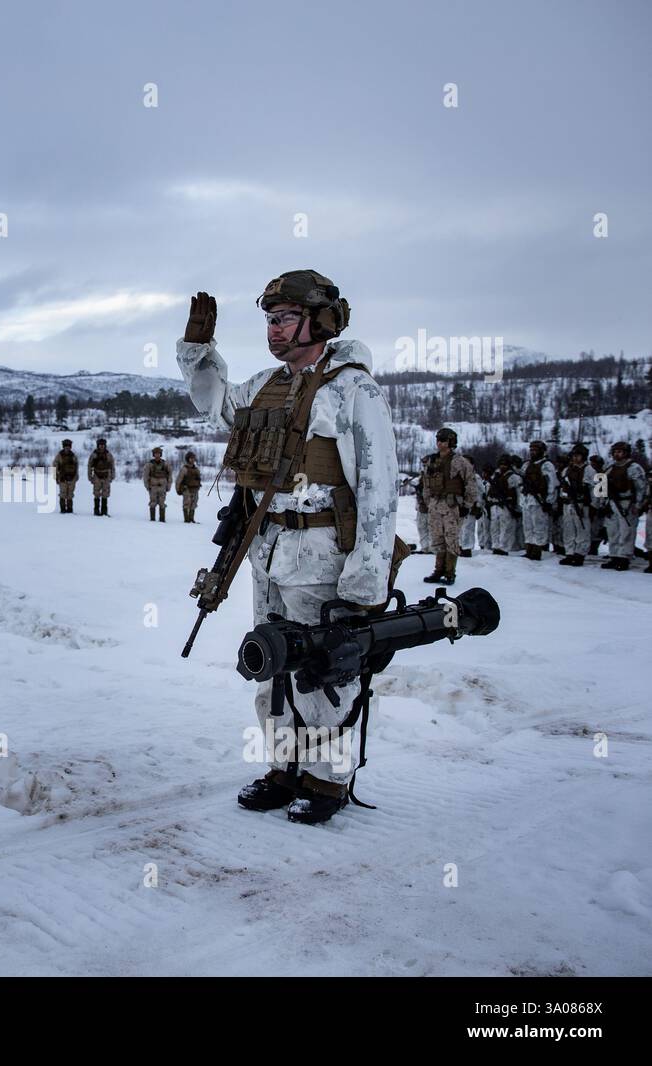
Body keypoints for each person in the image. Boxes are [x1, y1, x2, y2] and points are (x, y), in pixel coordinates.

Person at [177, 270, 398, 825]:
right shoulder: (265, 386)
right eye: (269, 320)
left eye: (284, 319)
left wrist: (367, 576)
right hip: (268, 552)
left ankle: (326, 781)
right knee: (272, 665)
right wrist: (201, 355)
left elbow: (378, 486)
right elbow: (220, 408)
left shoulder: (353, 389)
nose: (273, 330)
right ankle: (284, 766)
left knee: (322, 674)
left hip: (324, 555)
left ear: (319, 321)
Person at [420, 427, 479, 585]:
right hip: (435, 504)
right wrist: (427, 502)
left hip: (452, 506)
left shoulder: (460, 462)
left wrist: (467, 504)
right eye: (438, 440)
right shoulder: (432, 461)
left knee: (451, 539)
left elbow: (471, 484)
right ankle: (438, 570)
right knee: (437, 539)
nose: (440, 443)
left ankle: (450, 572)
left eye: (443, 440)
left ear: (451, 442)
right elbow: (426, 484)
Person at [601, 441, 647, 571]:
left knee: (626, 531)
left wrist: (638, 505)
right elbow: (602, 486)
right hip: (612, 503)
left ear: (626, 453)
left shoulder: (634, 468)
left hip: (627, 503)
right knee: (613, 531)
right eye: (615, 452)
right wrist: (603, 503)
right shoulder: (610, 467)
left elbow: (641, 488)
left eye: (620, 452)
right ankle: (614, 555)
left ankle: (624, 557)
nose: (617, 454)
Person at [556, 445, 594, 566]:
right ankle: (570, 553)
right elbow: (562, 487)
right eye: (573, 456)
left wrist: (595, 505)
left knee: (582, 530)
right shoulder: (566, 470)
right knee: (568, 530)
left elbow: (598, 490)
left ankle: (580, 554)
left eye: (578, 455)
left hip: (582, 504)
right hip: (568, 504)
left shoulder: (590, 470)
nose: (575, 458)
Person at [520, 440, 557, 561]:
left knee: (539, 526)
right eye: (531, 450)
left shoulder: (547, 465)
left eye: (535, 450)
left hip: (539, 500)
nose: (533, 452)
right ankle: (529, 549)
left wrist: (549, 501)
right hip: (527, 499)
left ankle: (537, 550)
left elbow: (552, 484)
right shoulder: (526, 465)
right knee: (528, 526)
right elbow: (521, 484)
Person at [87, 437, 115, 516]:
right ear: (98, 445)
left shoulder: (109, 454)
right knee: (96, 493)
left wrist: (112, 476)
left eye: (103, 445)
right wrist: (90, 477)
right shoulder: (94, 455)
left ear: (105, 445)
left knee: (105, 493)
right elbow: (89, 466)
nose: (101, 446)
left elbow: (112, 465)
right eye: (100, 445)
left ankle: (104, 511)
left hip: (106, 475)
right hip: (96, 475)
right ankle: (96, 511)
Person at [143, 447, 171, 522]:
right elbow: (145, 476)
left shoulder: (165, 464)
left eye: (158, 454)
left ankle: (162, 519)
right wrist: (147, 486)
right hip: (153, 487)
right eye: (156, 454)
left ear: (160, 454)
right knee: (153, 502)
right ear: (153, 454)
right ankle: (152, 519)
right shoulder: (149, 464)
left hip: (163, 487)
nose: (157, 455)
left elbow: (169, 475)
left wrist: (168, 486)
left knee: (162, 503)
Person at [175, 451, 202, 523]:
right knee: (187, 503)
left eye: (193, 458)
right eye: (191, 458)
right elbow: (179, 479)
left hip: (195, 489)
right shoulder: (184, 469)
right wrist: (178, 489)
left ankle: (191, 519)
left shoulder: (196, 469)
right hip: (186, 488)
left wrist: (198, 486)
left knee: (194, 503)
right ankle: (186, 519)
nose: (192, 460)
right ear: (188, 459)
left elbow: (199, 478)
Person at [54, 438, 79, 513]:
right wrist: (56, 477)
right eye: (66, 446)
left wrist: (76, 477)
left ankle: (70, 509)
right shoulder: (59, 455)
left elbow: (76, 467)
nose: (67, 447)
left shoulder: (73, 455)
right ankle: (62, 509)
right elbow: (55, 466)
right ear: (63, 446)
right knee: (63, 493)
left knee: (70, 494)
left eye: (68, 446)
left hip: (72, 477)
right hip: (62, 477)